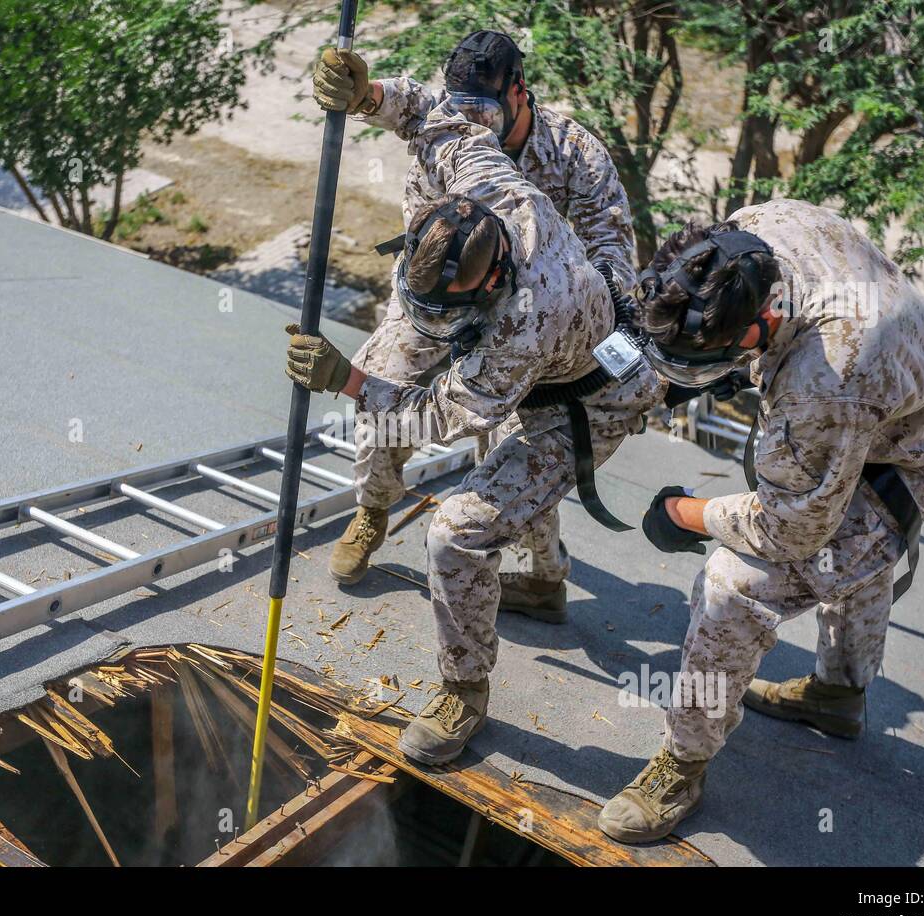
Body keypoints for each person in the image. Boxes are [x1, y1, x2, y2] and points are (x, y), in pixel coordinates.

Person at [597, 199, 924, 844]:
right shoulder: (760, 230)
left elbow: (790, 530)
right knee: (852, 560)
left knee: (732, 587)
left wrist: (685, 514)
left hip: (918, 452)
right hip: (891, 400)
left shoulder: (823, 377)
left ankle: (682, 763)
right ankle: (839, 696)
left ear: (766, 318)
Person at [284, 99, 663, 765]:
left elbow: (437, 416)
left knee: (459, 530)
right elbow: (434, 120)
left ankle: (464, 690)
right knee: (508, 478)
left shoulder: (524, 321)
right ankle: (544, 588)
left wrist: (348, 381)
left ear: (491, 281)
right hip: (552, 366)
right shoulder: (483, 179)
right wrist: (372, 94)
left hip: (592, 400)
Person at [312, 31, 636, 626]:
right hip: (434, 301)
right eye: (462, 108)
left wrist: (585, 306)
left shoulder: (575, 154)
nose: (473, 122)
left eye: (484, 109)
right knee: (382, 384)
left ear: (519, 90)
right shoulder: (461, 132)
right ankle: (374, 508)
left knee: (515, 450)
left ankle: (543, 575)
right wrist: (364, 93)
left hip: (524, 317)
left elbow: (613, 250)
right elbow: (415, 106)